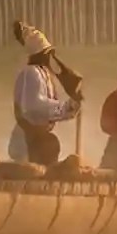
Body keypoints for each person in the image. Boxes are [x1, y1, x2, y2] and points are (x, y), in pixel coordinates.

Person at [9, 24, 81, 165]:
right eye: (49, 53)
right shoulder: (31, 73)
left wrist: (73, 103)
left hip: (37, 139)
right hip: (29, 140)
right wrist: (68, 107)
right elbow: (35, 106)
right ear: (43, 54)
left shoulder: (42, 73)